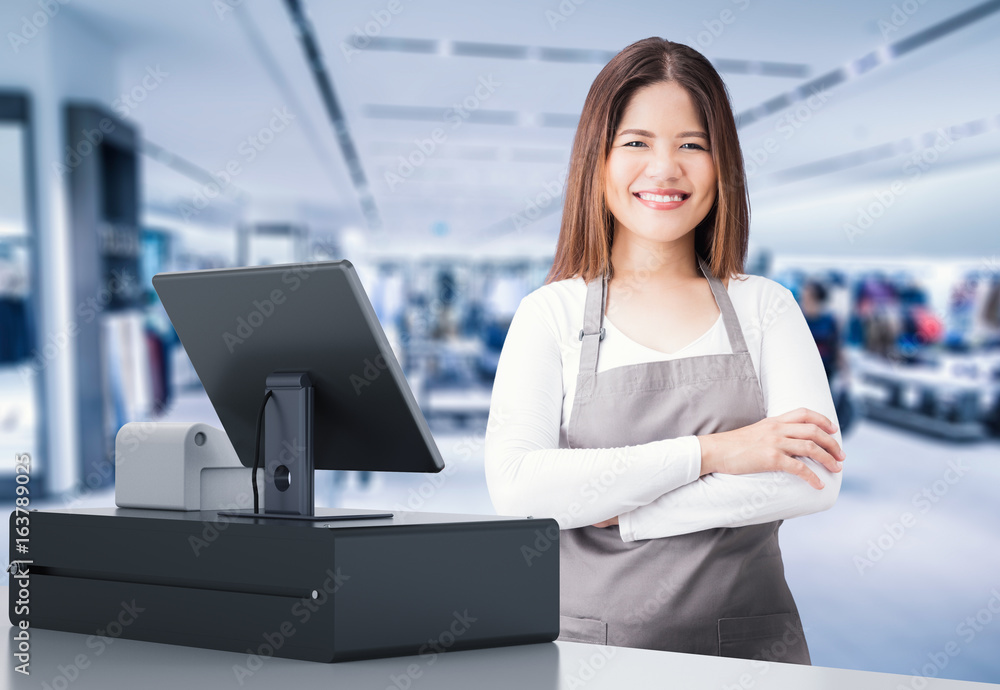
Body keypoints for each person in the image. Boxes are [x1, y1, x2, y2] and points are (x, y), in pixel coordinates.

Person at [484, 37, 845, 664]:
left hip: (752, 655)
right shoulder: (552, 315)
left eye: (691, 144)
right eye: (636, 142)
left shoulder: (766, 308)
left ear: (721, 164)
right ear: (596, 160)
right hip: (590, 654)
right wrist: (717, 452)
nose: (664, 169)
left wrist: (626, 513)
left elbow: (812, 479)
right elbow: (519, 489)